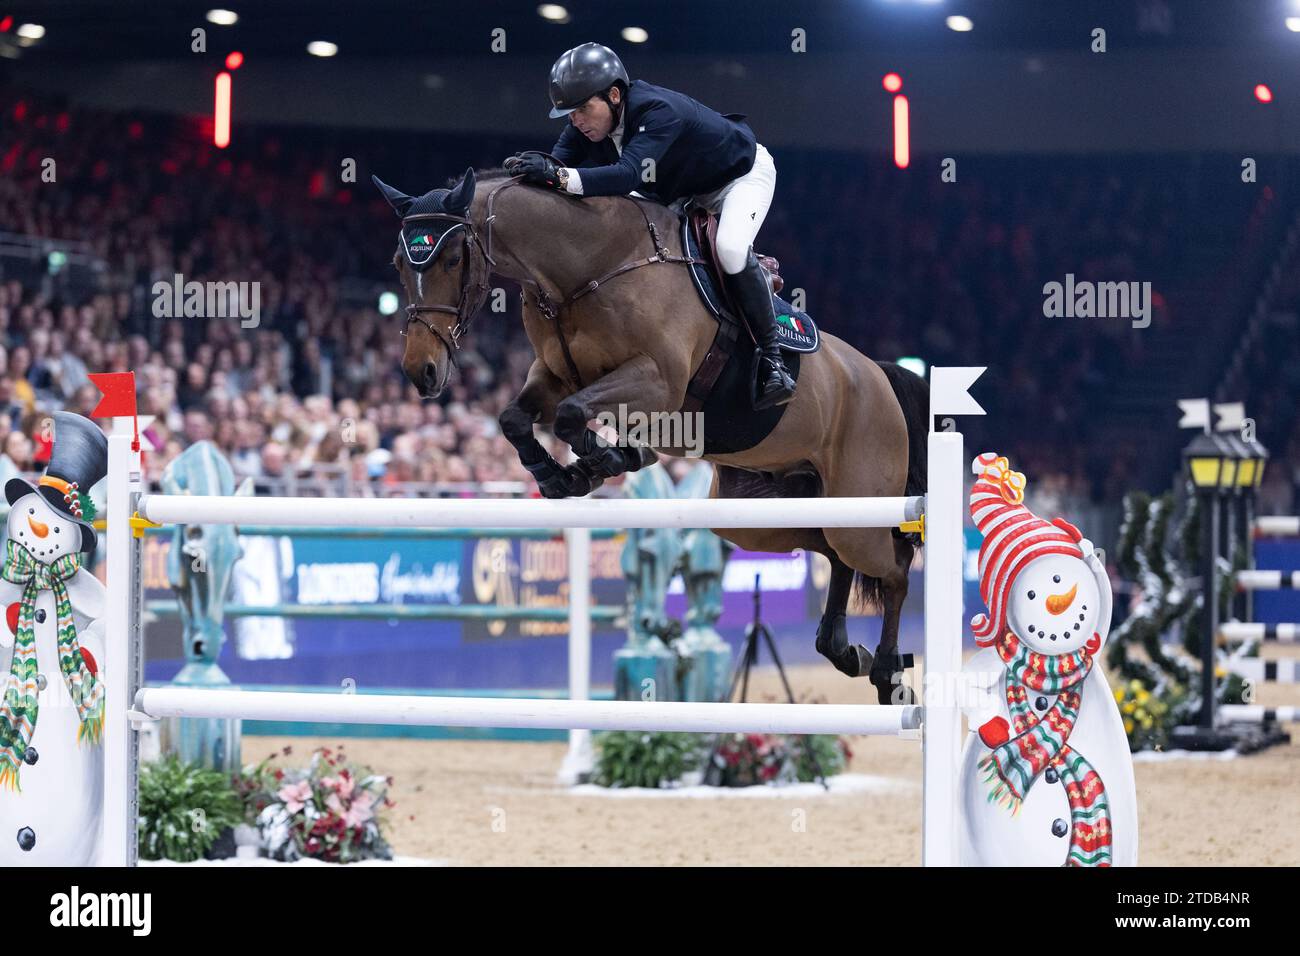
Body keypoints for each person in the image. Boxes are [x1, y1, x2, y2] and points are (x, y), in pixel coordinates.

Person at [504, 42, 796, 410]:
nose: (576, 120)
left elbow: (625, 175)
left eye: (582, 109)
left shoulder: (657, 110)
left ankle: (773, 360)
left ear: (613, 95)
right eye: (570, 113)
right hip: (681, 191)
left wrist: (557, 176)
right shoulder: (584, 125)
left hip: (738, 179)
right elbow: (553, 169)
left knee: (731, 248)